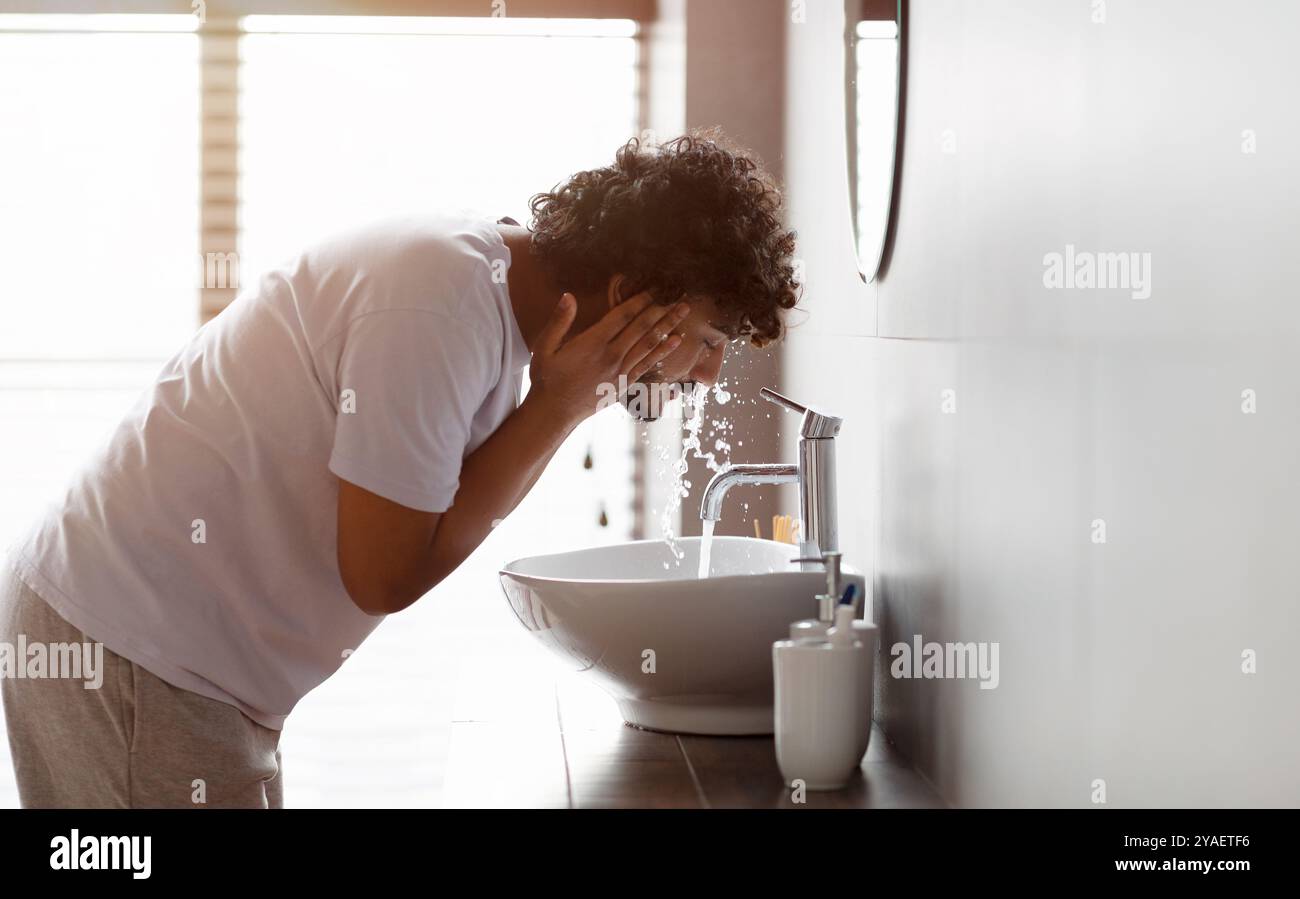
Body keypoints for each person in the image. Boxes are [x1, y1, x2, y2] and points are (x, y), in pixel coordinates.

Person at [0, 131, 800, 808]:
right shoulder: (441, 305)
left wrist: (558, 403)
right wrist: (555, 410)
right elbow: (382, 576)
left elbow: (430, 525)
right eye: (707, 336)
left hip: (176, 665)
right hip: (127, 648)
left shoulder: (484, 307)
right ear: (630, 292)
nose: (705, 373)